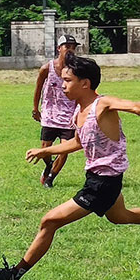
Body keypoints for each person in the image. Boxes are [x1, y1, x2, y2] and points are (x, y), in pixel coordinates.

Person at [0, 54, 140, 280]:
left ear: (85, 83)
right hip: (99, 178)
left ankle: (13, 275)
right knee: (122, 216)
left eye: (68, 80)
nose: (62, 85)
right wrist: (45, 151)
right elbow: (77, 142)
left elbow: (136, 108)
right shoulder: (78, 111)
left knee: (49, 221)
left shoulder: (102, 104)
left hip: (103, 183)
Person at [32, 34, 79, 188]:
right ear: (59, 48)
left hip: (69, 115)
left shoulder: (76, 70)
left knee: (64, 149)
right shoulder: (47, 68)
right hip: (49, 114)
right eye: (67, 46)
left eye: (73, 47)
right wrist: (35, 108)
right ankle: (48, 165)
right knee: (45, 148)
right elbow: (38, 88)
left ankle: (50, 179)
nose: (71, 50)